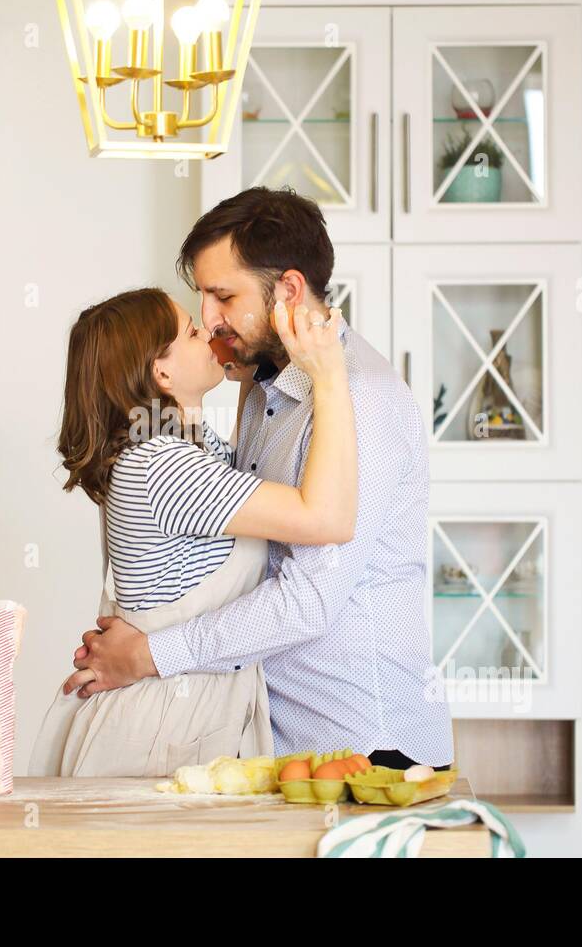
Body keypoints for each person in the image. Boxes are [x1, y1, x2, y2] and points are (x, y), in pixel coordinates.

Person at [64, 187, 455, 773]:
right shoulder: (260, 386)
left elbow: (307, 602)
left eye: (223, 296)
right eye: (201, 301)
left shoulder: (359, 402)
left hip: (361, 744)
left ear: (289, 292)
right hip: (266, 736)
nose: (209, 319)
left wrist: (149, 652)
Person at [28, 285, 356, 776]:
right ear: (161, 371)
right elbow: (325, 518)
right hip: (161, 729)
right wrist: (329, 377)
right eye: (191, 331)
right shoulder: (162, 464)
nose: (209, 331)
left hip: (176, 714)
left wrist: (249, 366)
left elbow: (246, 471)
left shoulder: (187, 451)